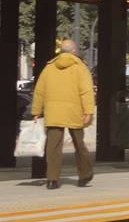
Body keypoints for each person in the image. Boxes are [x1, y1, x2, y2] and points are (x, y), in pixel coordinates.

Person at [30, 39, 95, 189]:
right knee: (79, 145)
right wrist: (88, 111)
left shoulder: (49, 67)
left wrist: (36, 111)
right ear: (73, 52)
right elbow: (86, 91)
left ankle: (52, 179)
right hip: (75, 112)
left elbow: (40, 91)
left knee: (53, 147)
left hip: (53, 113)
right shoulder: (80, 68)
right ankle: (85, 175)